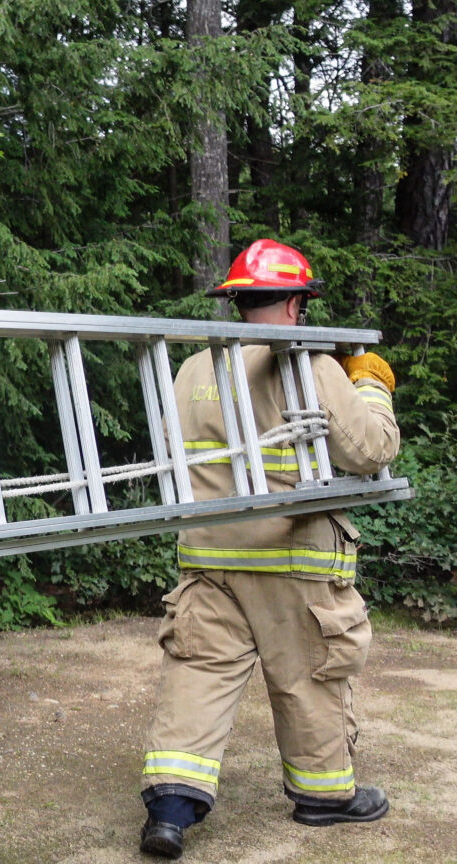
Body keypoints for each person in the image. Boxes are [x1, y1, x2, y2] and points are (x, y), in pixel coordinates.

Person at [137, 239, 401, 859]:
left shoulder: (195, 368)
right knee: (312, 679)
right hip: (294, 559)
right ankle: (325, 797)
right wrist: (368, 384)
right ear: (293, 305)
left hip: (208, 558)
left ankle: (170, 813)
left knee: (195, 676)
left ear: (237, 301)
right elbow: (370, 449)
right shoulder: (311, 363)